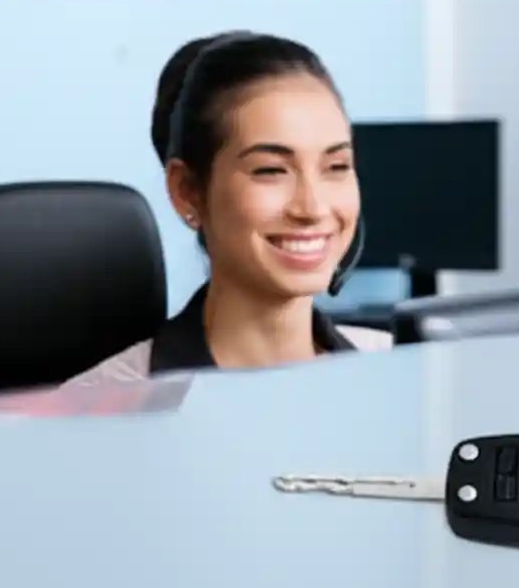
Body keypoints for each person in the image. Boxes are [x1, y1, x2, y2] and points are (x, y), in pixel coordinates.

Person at [65, 30, 391, 386]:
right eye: (270, 170)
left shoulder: (400, 372)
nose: (312, 207)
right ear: (187, 190)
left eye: (337, 166)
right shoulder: (100, 409)